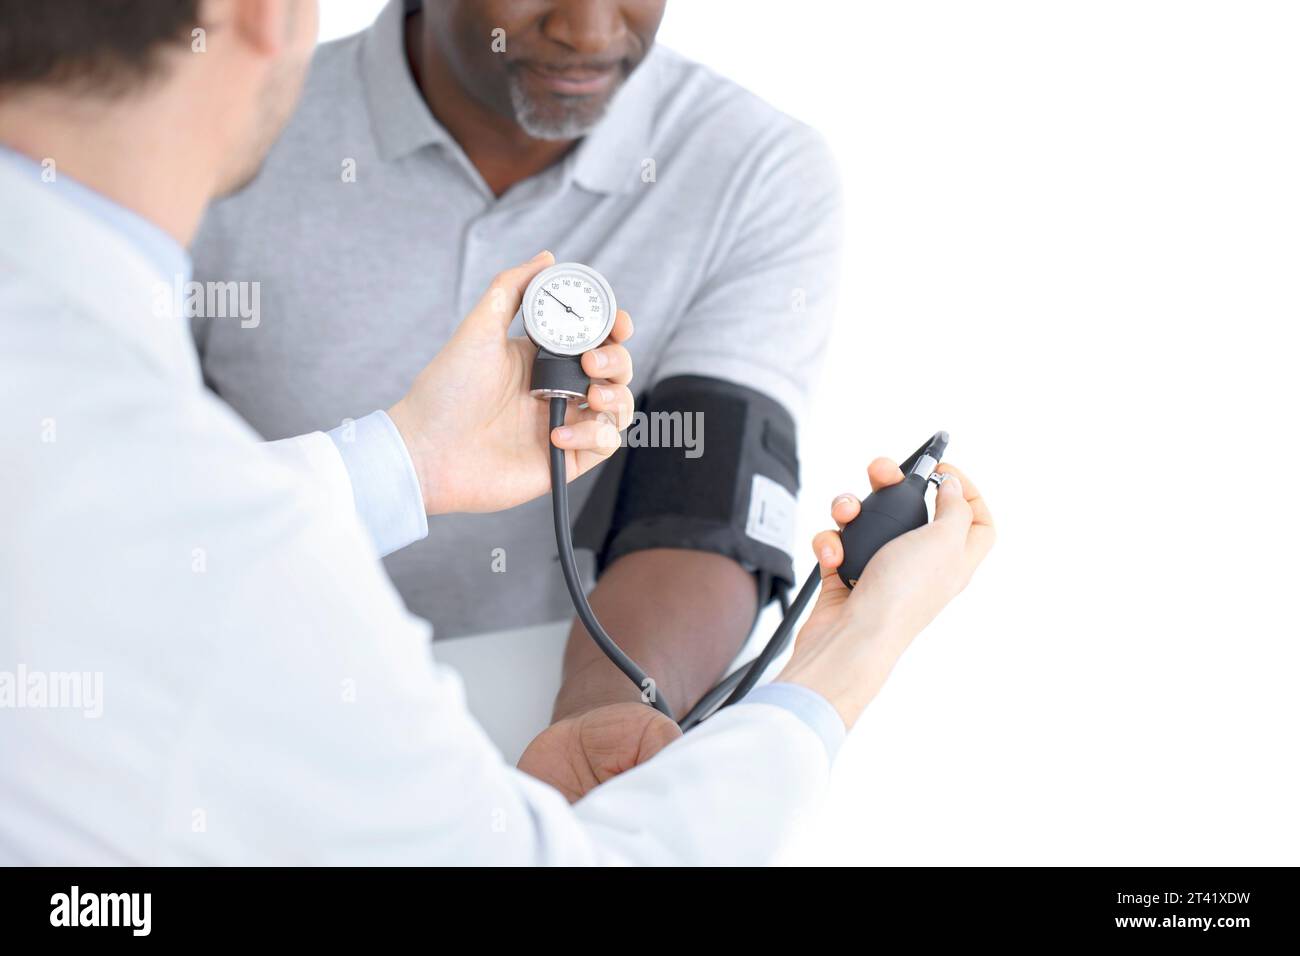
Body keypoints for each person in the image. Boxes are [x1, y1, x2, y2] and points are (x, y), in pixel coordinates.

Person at [0, 0, 993, 864]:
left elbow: (705, 495)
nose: (588, 28)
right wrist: (853, 647)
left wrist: (409, 462)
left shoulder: (755, 162)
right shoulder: (240, 144)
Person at [189, 0, 845, 775]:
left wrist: (602, 713)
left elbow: (700, 511)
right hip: (230, 709)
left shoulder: (755, 166)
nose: (592, 32)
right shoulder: (211, 125)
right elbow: (120, 474)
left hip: (529, 721)